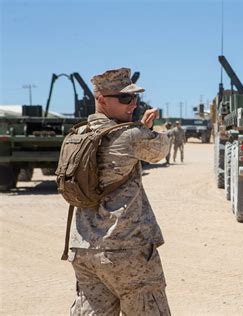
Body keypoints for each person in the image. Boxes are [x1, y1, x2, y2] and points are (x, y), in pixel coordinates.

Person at [67, 68, 171, 315]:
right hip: (126, 249)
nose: (133, 104)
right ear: (102, 100)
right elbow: (160, 149)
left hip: (83, 249)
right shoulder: (131, 134)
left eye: (134, 98)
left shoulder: (77, 134)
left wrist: (137, 129)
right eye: (125, 98)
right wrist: (148, 129)